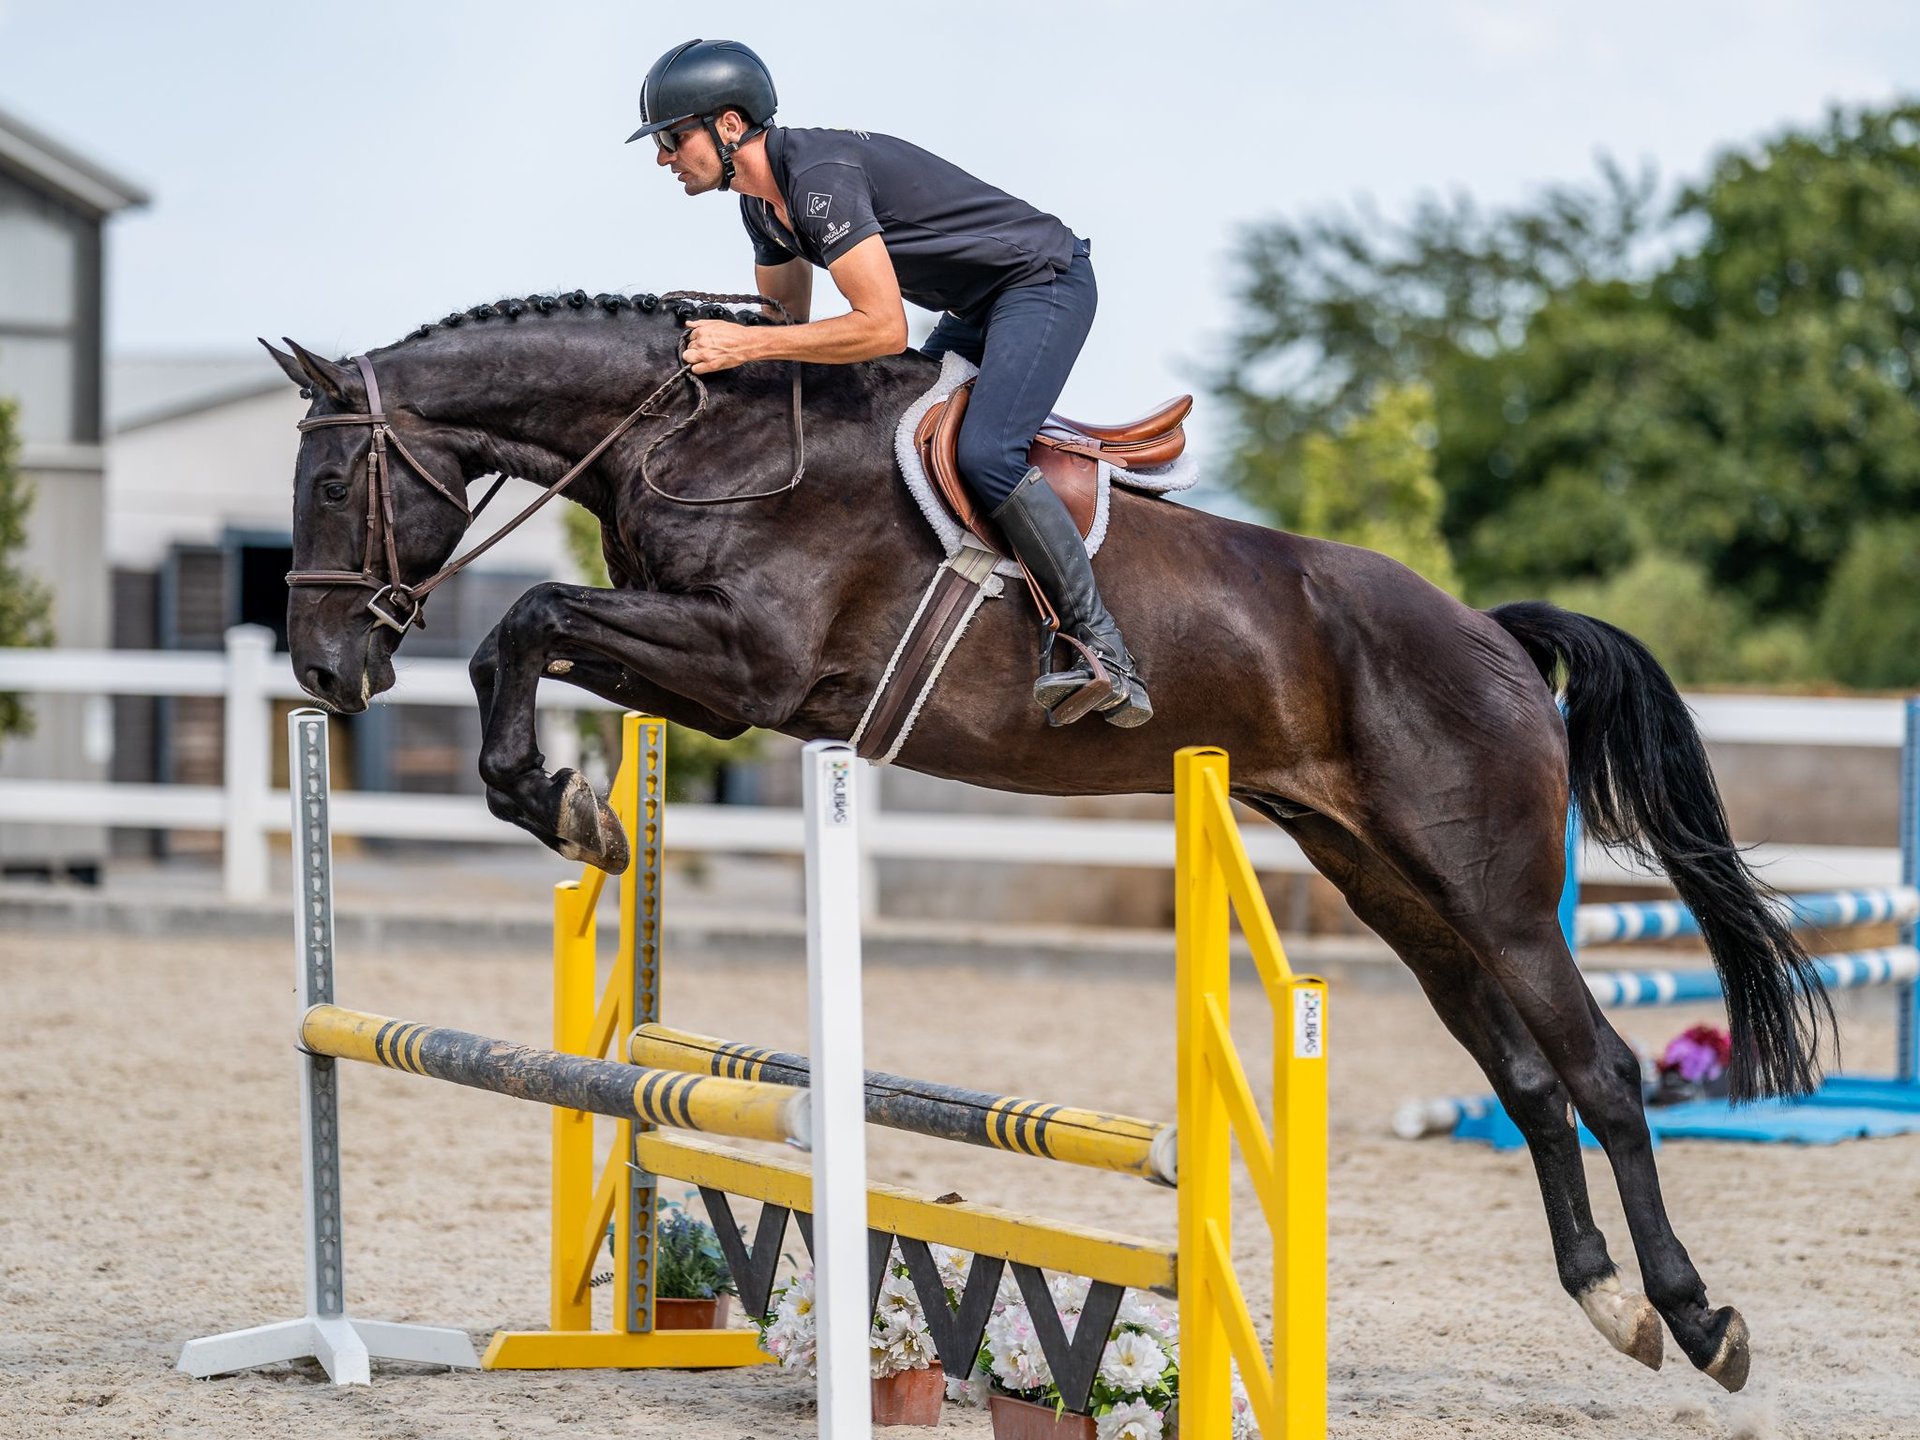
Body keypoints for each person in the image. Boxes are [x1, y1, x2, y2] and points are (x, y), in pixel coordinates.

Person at [628, 37, 1151, 728]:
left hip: (1041, 284)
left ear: (729, 125)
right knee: (895, 437)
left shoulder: (818, 180)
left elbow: (880, 329)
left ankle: (1099, 644)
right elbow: (787, 328)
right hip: (974, 309)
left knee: (985, 454)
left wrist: (744, 342)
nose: (664, 157)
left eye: (672, 137)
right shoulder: (761, 207)